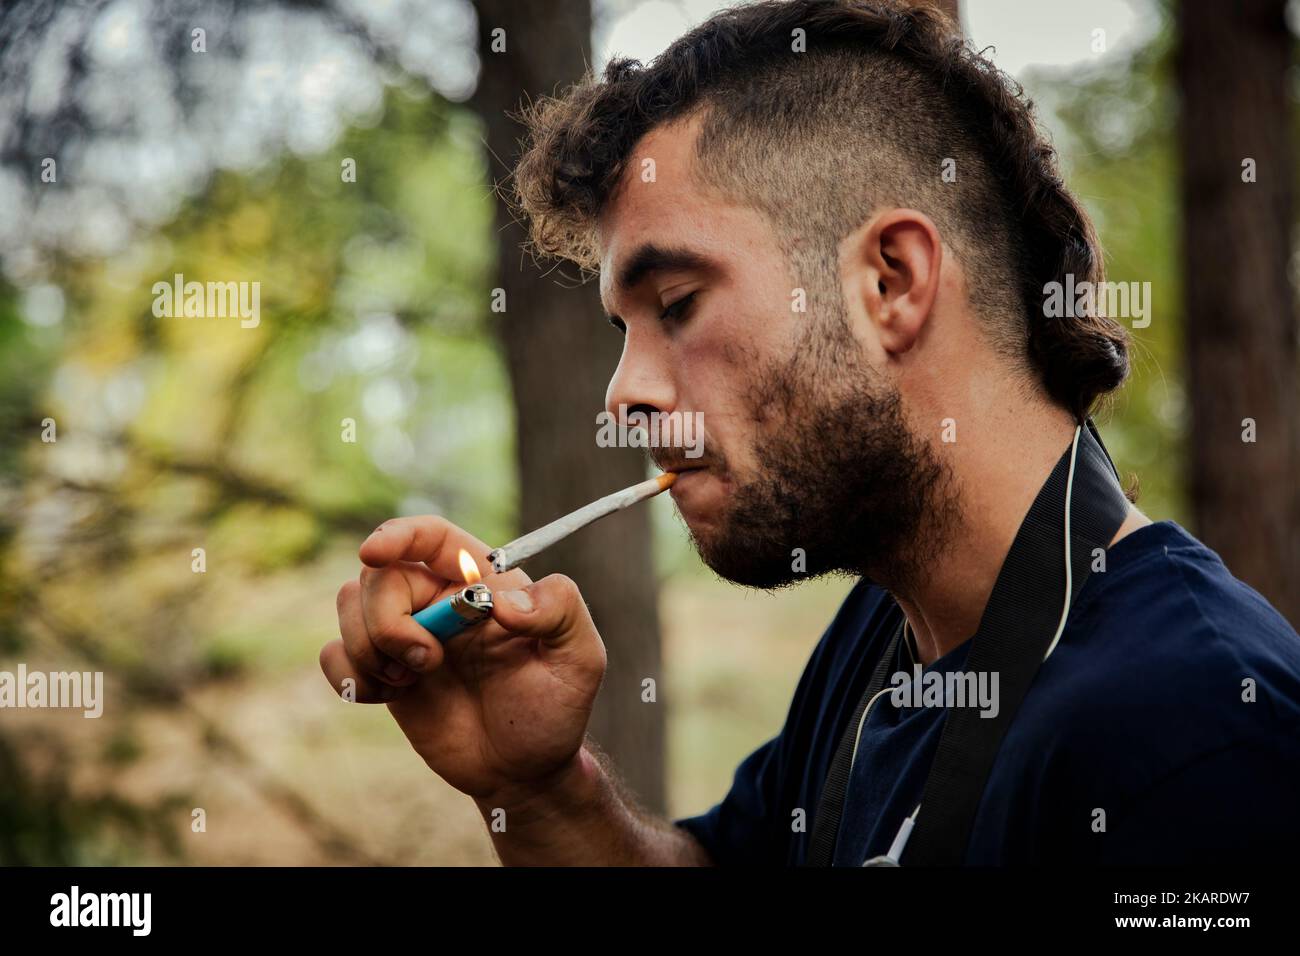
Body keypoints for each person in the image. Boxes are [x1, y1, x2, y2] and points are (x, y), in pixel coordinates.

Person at [318, 0, 1300, 865]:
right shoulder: (886, 632)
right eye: (623, 330)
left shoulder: (1192, 734)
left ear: (890, 284)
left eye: (677, 302)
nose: (625, 396)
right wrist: (537, 790)